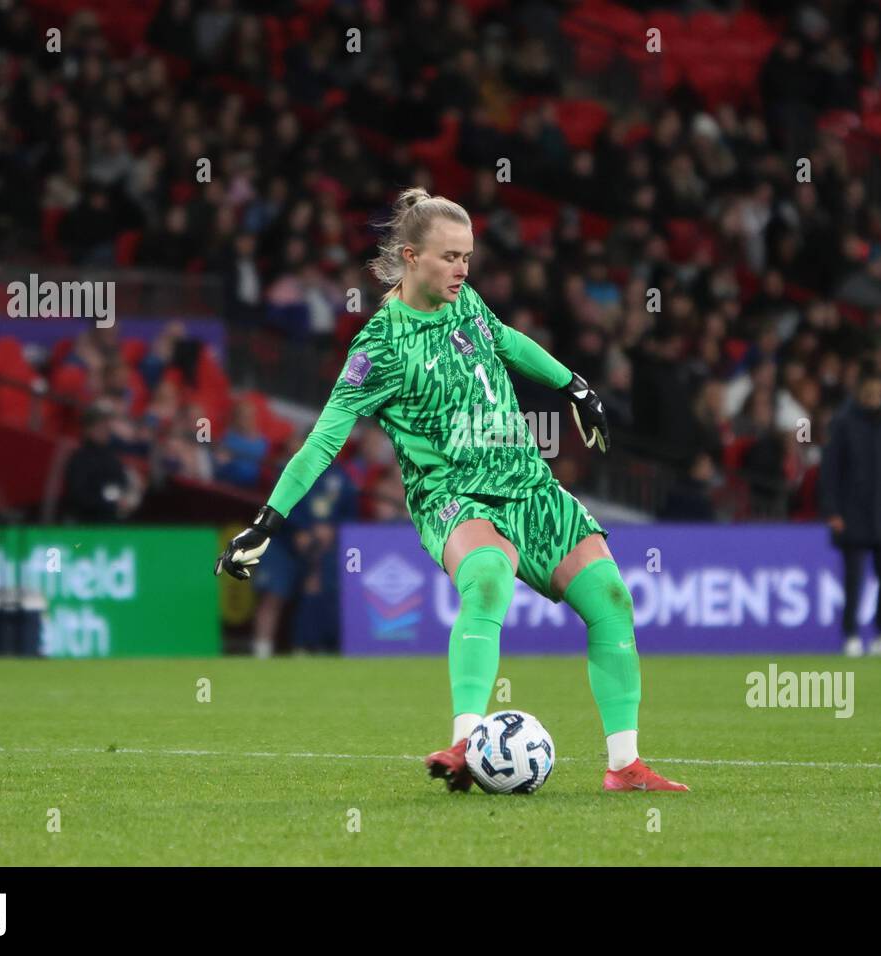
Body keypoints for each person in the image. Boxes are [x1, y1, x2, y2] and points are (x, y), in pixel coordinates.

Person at [215, 187, 688, 792]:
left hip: (526, 482)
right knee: (488, 579)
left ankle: (624, 766)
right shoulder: (377, 348)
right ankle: (468, 741)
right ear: (411, 257)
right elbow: (322, 443)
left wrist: (574, 386)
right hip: (452, 497)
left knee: (612, 601)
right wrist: (266, 521)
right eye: (449, 257)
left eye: (467, 257)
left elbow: (506, 341)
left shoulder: (464, 303)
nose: (463, 269)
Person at [818, 364, 881, 657]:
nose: (874, 398)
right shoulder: (842, 425)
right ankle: (851, 635)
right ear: (859, 393)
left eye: (879, 393)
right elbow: (829, 472)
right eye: (869, 393)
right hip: (852, 514)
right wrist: (832, 510)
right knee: (853, 579)